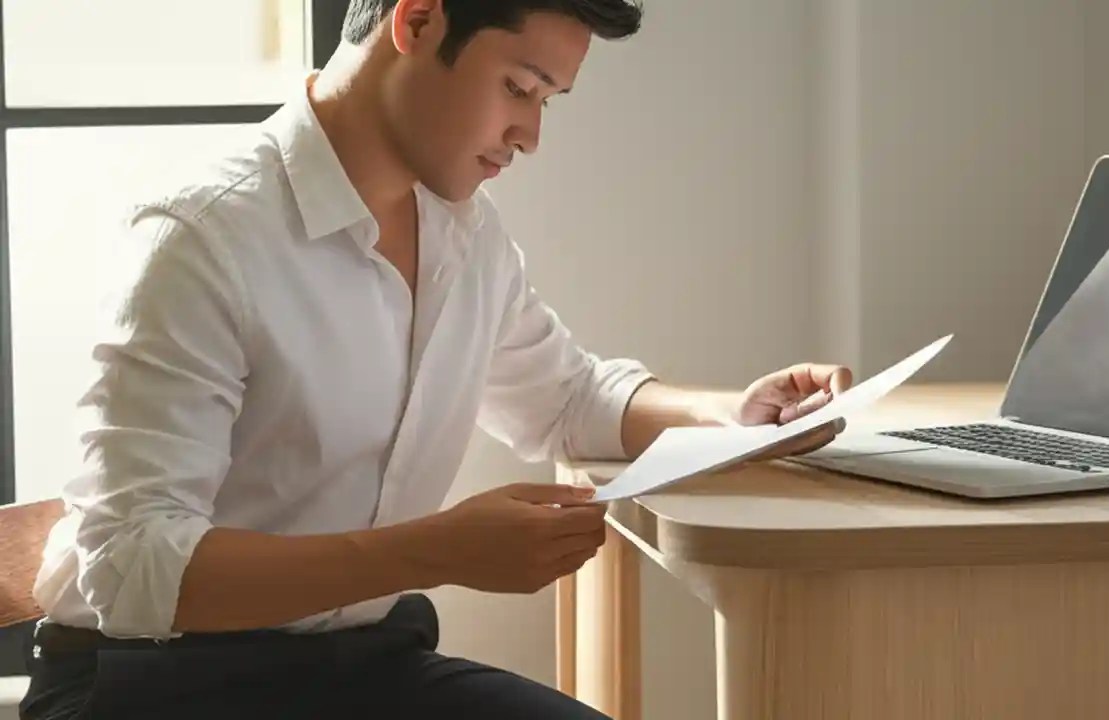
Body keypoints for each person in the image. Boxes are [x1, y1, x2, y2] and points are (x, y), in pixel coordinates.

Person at [19, 1, 852, 718]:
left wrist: (731, 416)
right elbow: (134, 569)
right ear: (417, 21)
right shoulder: (203, 239)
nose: (529, 134)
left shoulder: (465, 234)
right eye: (518, 89)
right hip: (149, 687)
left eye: (547, 101)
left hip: (358, 667)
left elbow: (567, 399)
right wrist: (438, 551)